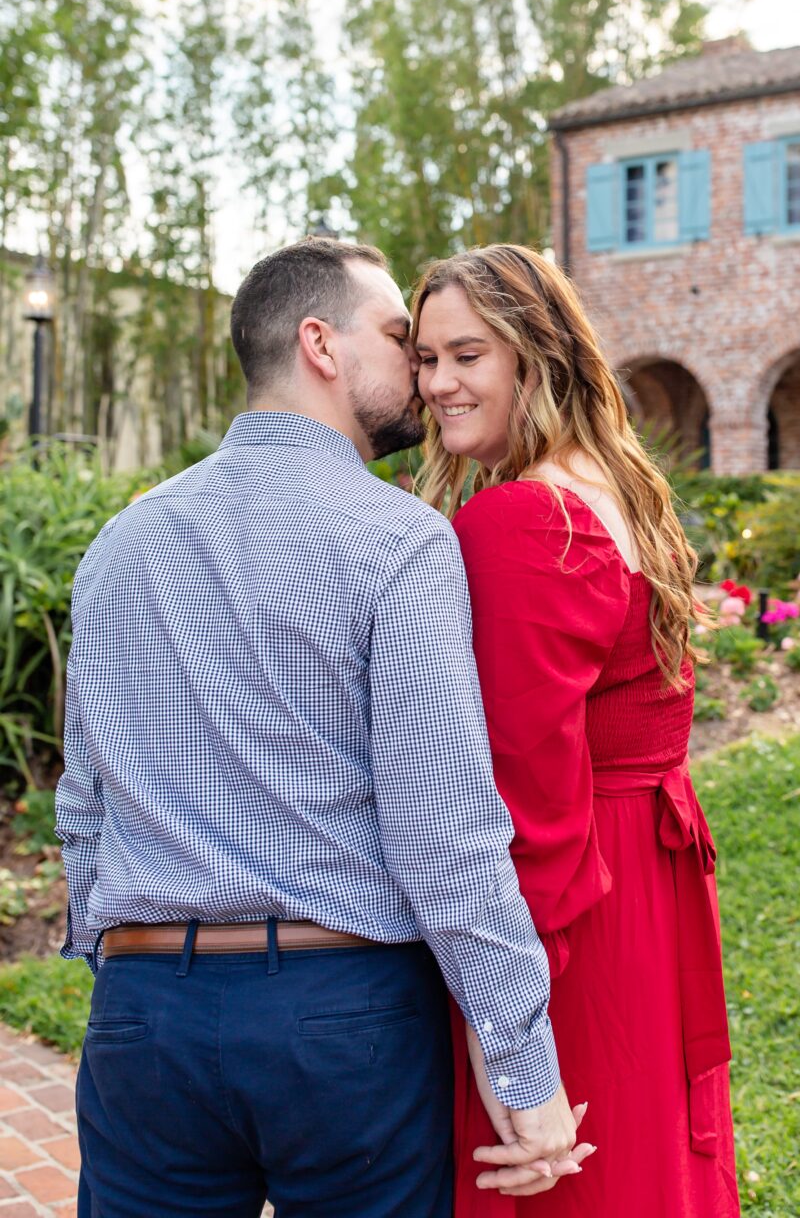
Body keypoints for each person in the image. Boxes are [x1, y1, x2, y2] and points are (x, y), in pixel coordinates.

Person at [56, 237, 588, 1218]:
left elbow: (81, 800)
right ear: (320, 345)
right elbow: (444, 837)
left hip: (142, 1013)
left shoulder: (119, 543)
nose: (424, 376)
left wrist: (125, 959)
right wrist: (522, 1061)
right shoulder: (397, 539)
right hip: (339, 1013)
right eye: (400, 338)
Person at [412, 243, 740, 1218]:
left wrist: (505, 1025)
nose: (436, 383)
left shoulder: (522, 520)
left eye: (466, 355)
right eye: (424, 358)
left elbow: (524, 798)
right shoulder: (614, 487)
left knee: (571, 1177)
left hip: (578, 913)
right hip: (641, 883)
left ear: (535, 353)